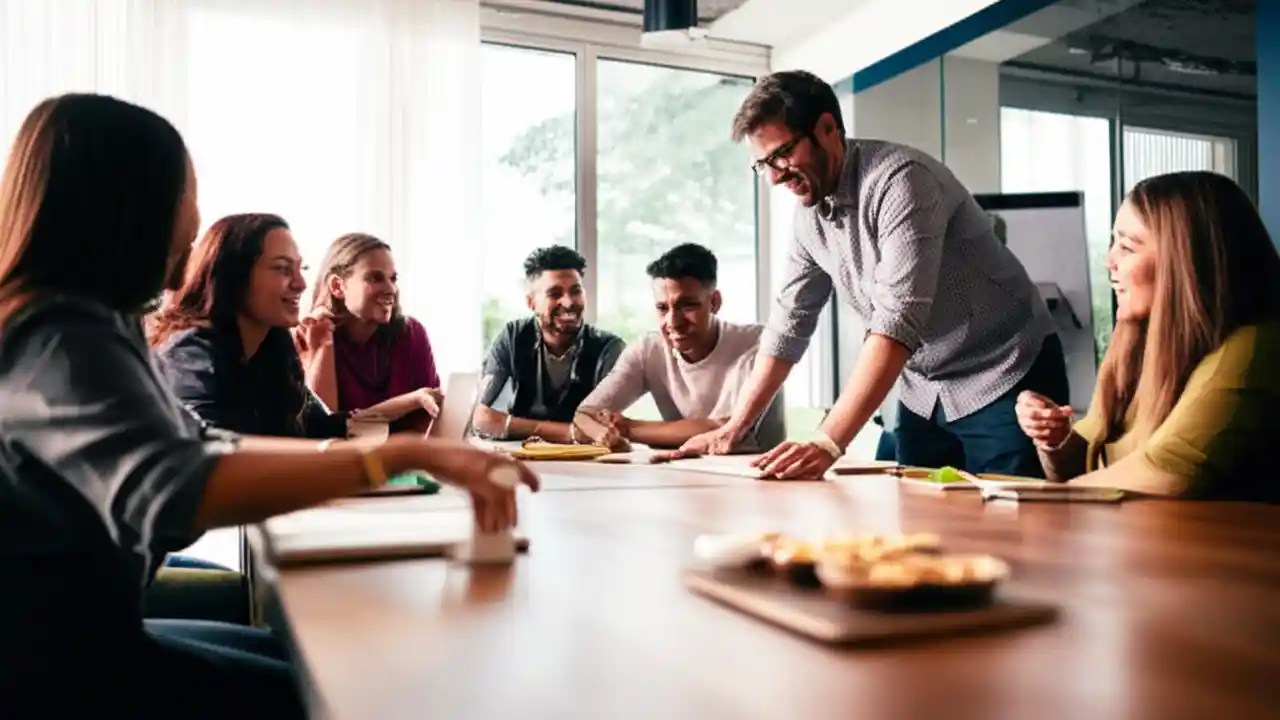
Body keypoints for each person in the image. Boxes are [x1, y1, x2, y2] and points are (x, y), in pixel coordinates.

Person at [0, 93, 537, 718]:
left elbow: (202, 442)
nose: (194, 223)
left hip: (88, 636)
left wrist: (396, 453)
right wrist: (391, 459)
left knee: (304, 658)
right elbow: (176, 488)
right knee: (346, 688)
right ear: (130, 202)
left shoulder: (95, 324)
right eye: (185, 194)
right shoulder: (60, 337)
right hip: (48, 670)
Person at [683, 70, 1067, 479]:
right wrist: (733, 428)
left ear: (827, 128)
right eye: (763, 164)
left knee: (1015, 525)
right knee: (913, 524)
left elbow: (897, 320)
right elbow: (789, 324)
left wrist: (827, 441)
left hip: (1004, 372)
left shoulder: (902, 181)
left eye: (782, 154)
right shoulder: (808, 218)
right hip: (924, 389)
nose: (775, 176)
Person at [1016, 171, 1280, 499]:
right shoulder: (1136, 343)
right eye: (1113, 242)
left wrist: (1026, 498)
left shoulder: (1253, 348)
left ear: (1185, 263)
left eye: (1127, 247)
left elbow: (1166, 475)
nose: (1109, 261)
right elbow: (1082, 471)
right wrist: (1055, 440)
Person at [150, 213, 346, 439]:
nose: (301, 284)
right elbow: (212, 454)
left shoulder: (272, 348)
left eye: (301, 269)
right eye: (282, 269)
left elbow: (322, 427)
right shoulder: (190, 356)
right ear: (234, 276)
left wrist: (393, 415)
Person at [573, 243, 785, 452]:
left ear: (714, 302)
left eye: (687, 305)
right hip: (683, 470)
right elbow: (586, 414)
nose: (673, 321)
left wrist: (629, 428)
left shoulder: (758, 344)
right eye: (662, 308)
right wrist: (605, 433)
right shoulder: (648, 350)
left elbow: (726, 428)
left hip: (756, 473)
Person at [473, 245, 625, 443]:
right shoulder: (514, 337)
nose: (569, 302)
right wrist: (567, 432)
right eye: (555, 294)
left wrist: (510, 424)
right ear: (531, 302)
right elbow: (482, 418)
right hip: (520, 459)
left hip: (587, 465)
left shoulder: (608, 348)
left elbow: (603, 430)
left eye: (576, 291)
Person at [295, 233, 442, 434]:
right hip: (344, 463)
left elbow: (430, 420)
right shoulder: (306, 336)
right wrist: (323, 347)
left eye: (393, 279)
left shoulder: (412, 333)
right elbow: (326, 434)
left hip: (404, 459)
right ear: (338, 286)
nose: (391, 289)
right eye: (375, 278)